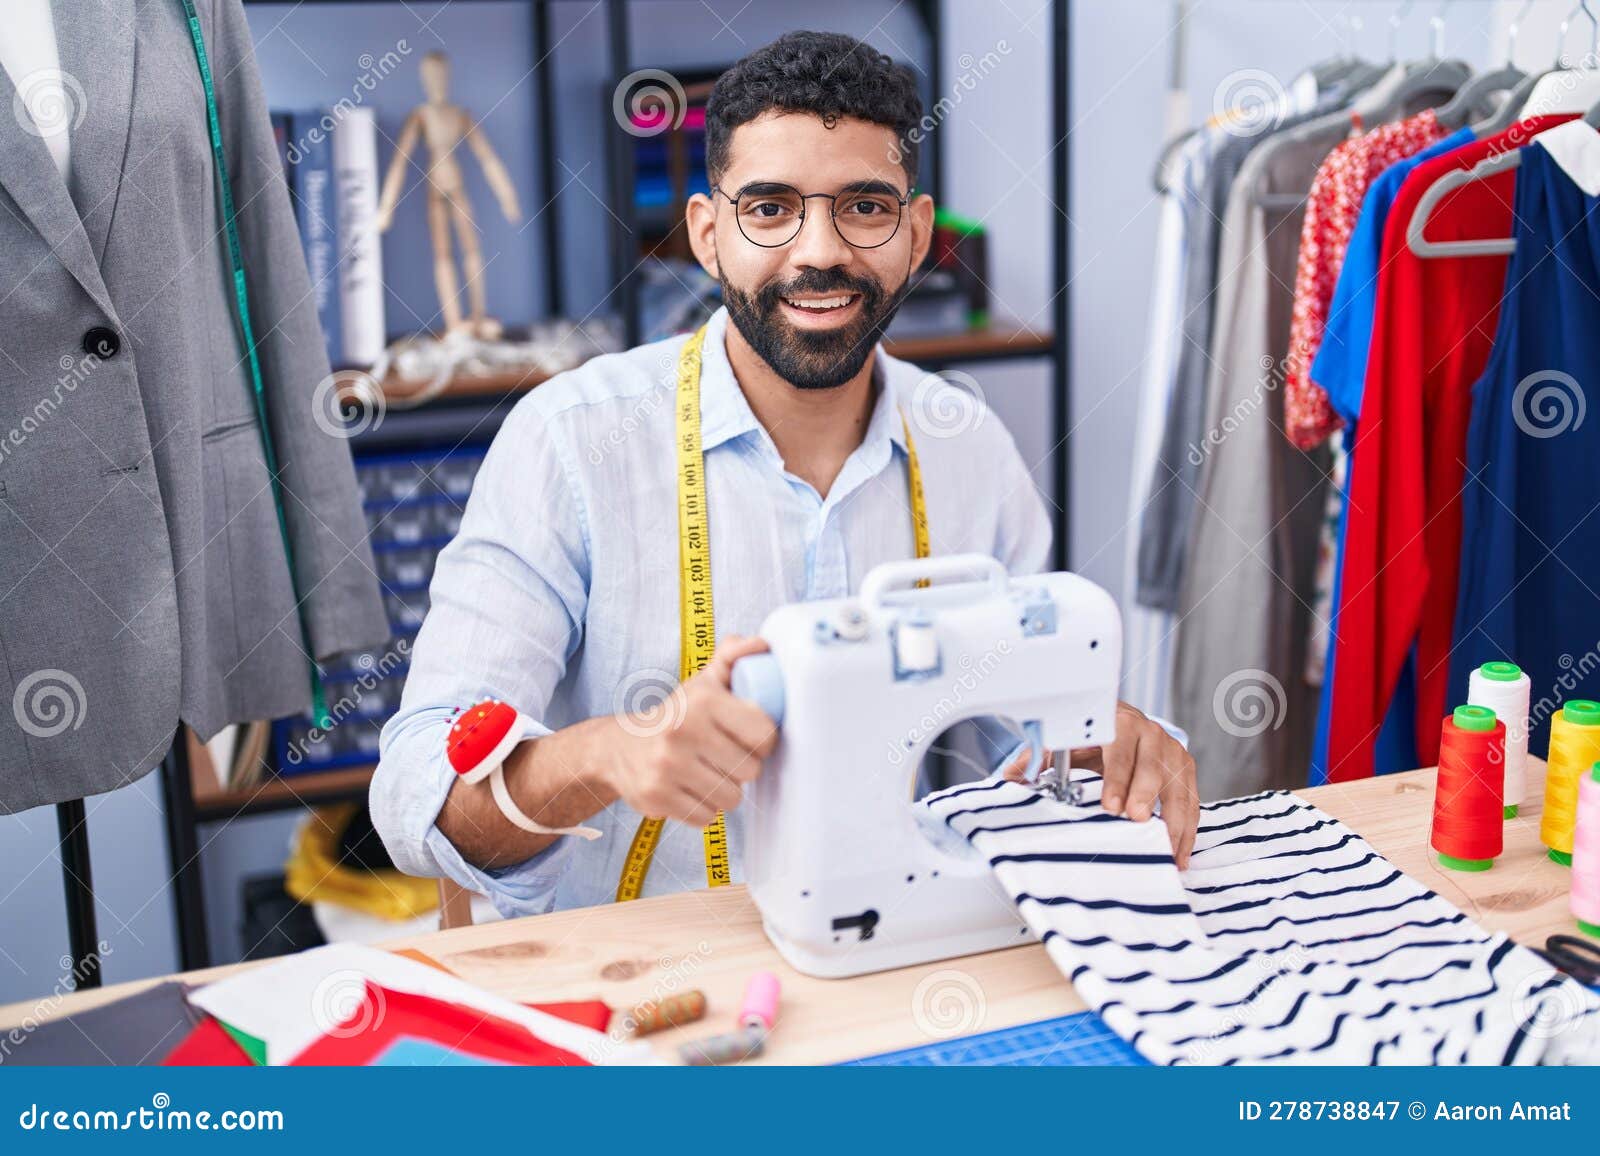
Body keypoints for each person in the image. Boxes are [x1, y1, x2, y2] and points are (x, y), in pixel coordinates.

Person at [371, 30, 1198, 918]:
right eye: (769, 208)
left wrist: (1105, 743)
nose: (819, 252)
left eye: (865, 207)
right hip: (636, 978)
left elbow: (1033, 728)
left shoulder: (967, 446)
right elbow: (417, 793)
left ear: (917, 234)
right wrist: (610, 753)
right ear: (707, 234)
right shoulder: (571, 441)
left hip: (887, 951)